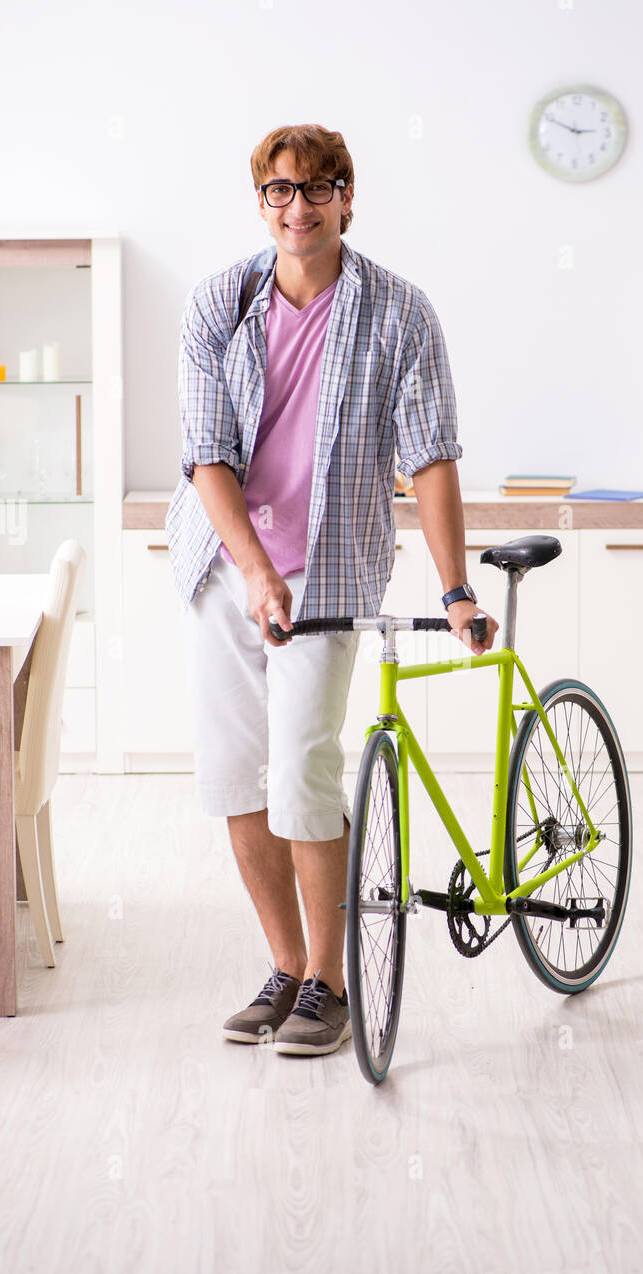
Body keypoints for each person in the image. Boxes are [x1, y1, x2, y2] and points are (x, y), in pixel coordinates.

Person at [165, 122, 498, 1057]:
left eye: (318, 189)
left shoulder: (399, 312)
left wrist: (456, 586)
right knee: (236, 777)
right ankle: (283, 967)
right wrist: (254, 570)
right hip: (225, 560)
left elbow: (429, 456)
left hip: (329, 568)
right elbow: (205, 455)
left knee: (302, 770)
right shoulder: (217, 305)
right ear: (260, 202)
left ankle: (330, 983)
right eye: (279, 191)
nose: (298, 207)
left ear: (348, 198)